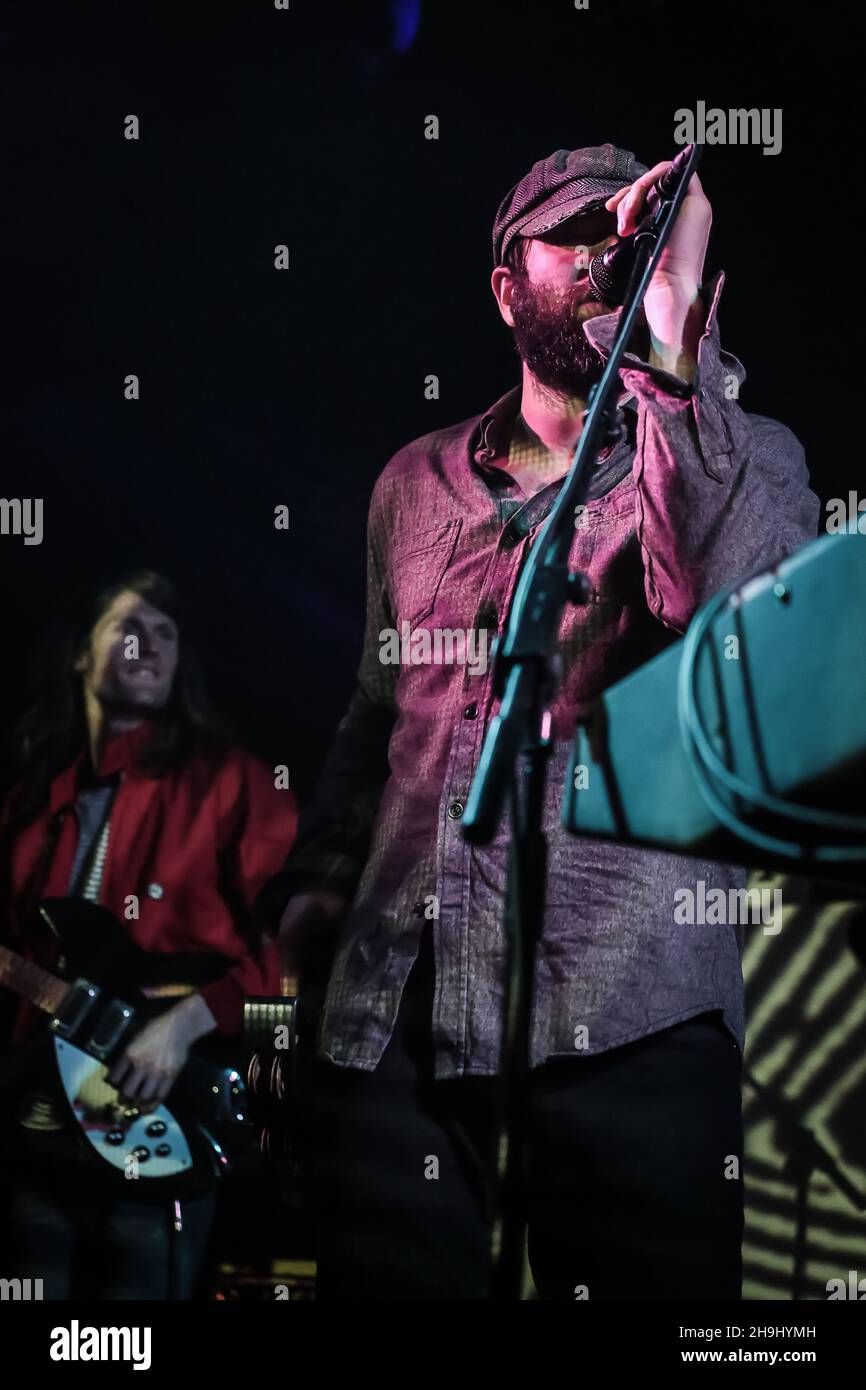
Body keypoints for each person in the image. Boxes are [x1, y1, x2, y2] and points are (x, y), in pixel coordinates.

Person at [261, 144, 820, 1300]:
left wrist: (667, 332)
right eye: (568, 235)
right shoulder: (412, 484)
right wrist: (317, 893)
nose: (600, 251)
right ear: (507, 287)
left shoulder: (750, 458)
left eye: (620, 231)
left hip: (630, 1019)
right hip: (396, 1023)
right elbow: (377, 714)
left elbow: (726, 624)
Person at [0, 570, 297, 1298]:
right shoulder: (33, 800)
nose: (150, 643)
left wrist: (186, 1025)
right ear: (80, 654)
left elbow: (298, 946)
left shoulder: (234, 783)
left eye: (166, 632)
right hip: (36, 1124)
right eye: (128, 626)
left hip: (166, 1113)